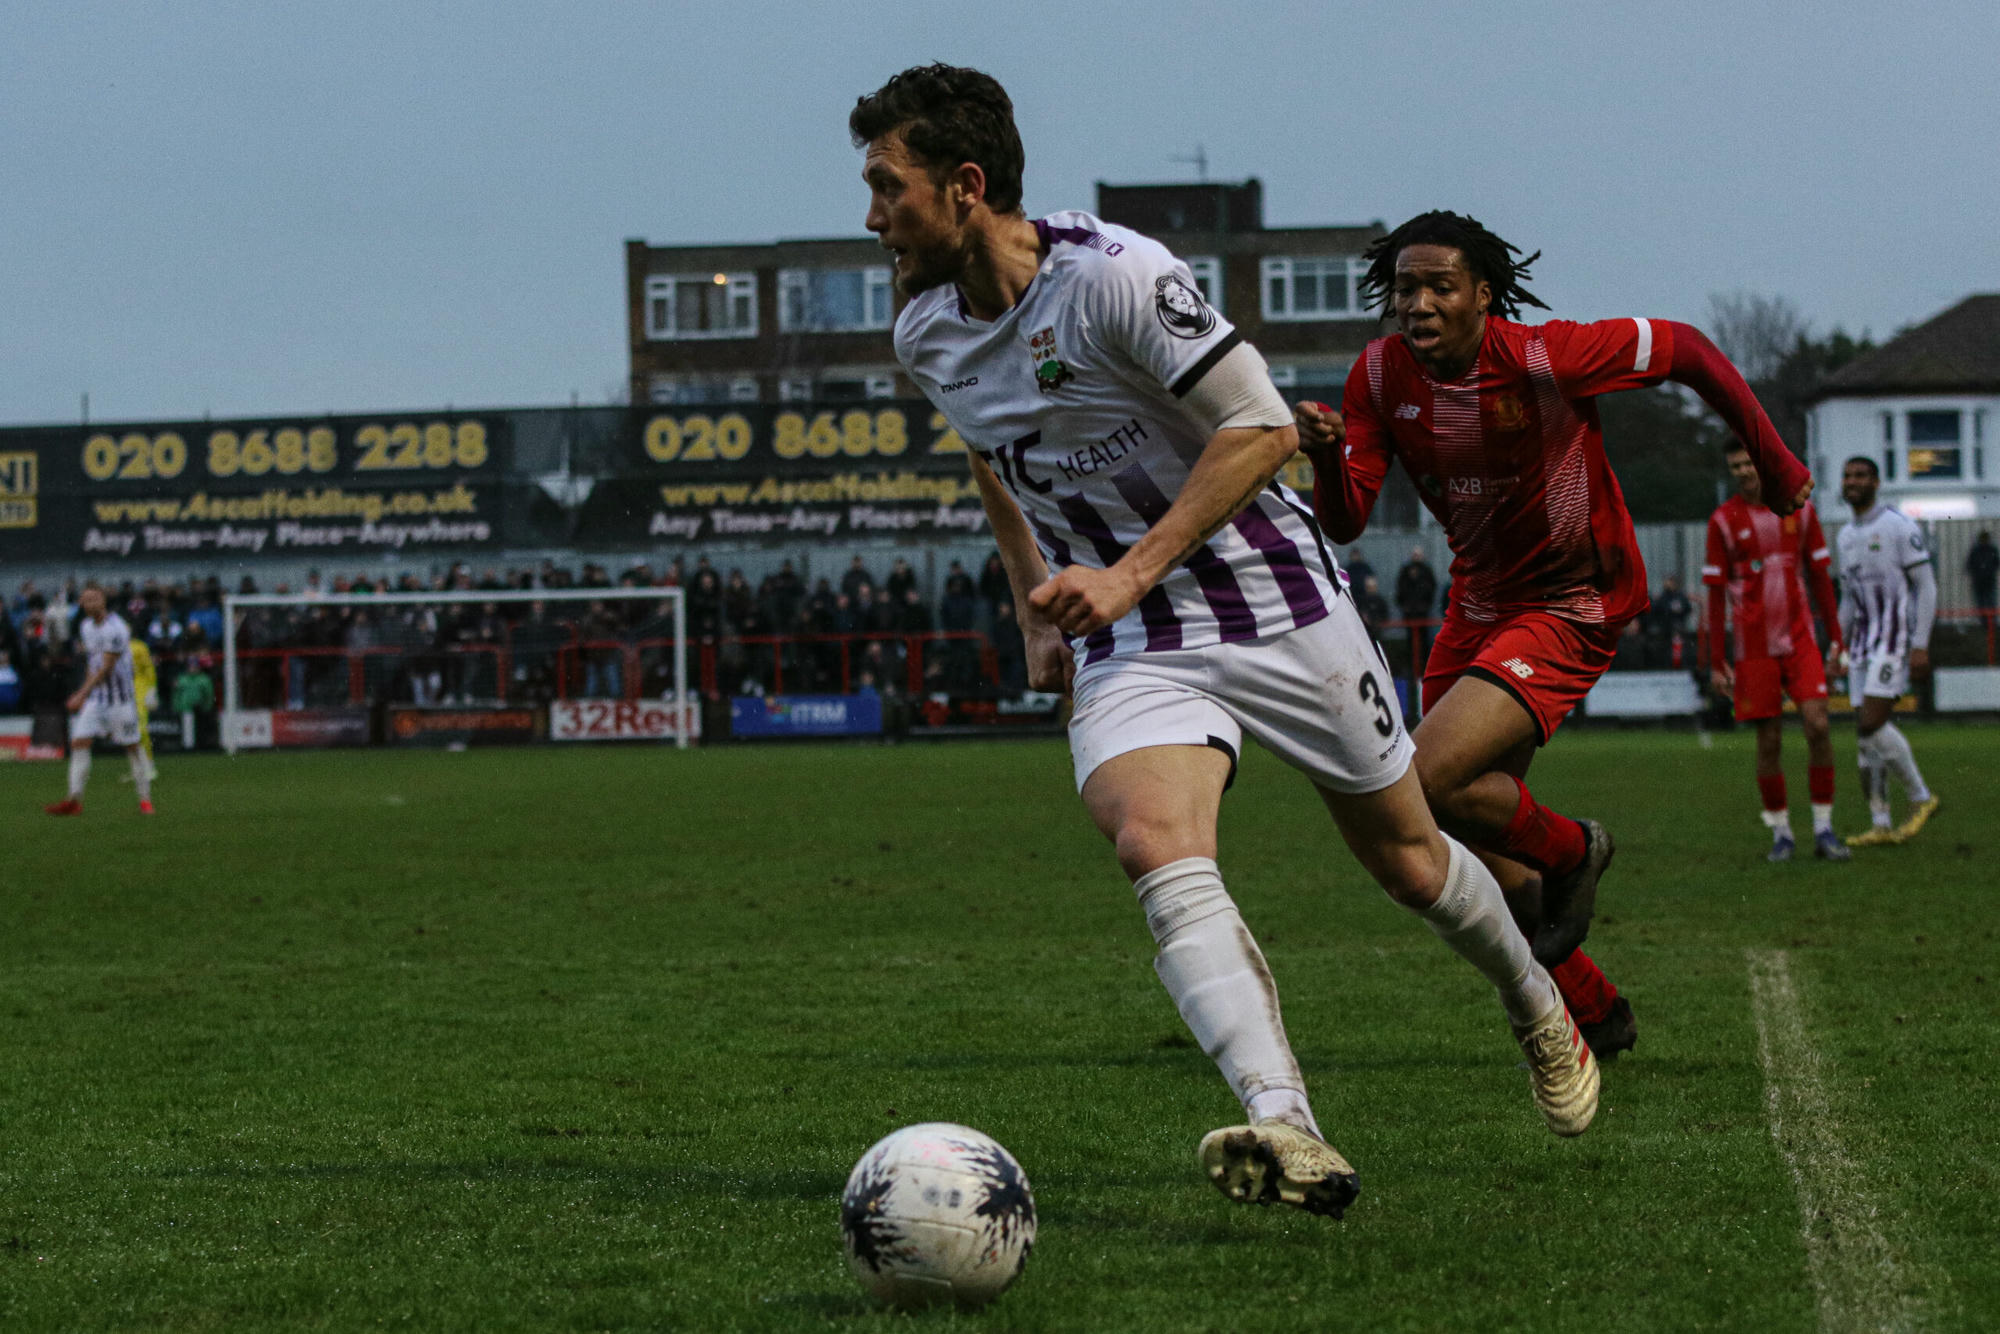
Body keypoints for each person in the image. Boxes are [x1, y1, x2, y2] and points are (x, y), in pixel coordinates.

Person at [858, 64, 1597, 1221]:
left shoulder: (1114, 276)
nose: (870, 217)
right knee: (1153, 841)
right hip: (1127, 630)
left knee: (1406, 858)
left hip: (1272, 594)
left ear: (963, 188)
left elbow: (1259, 429)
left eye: (886, 187)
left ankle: (1535, 1001)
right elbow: (987, 453)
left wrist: (1128, 568)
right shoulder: (922, 328)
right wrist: (1029, 597)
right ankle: (1286, 1122)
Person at [1296, 210, 1813, 1060]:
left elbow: (1686, 348)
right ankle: (1597, 1010)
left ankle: (1577, 850)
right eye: (1404, 288)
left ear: (1483, 296)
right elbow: (1347, 519)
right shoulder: (1380, 376)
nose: (1417, 304)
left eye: (1439, 286)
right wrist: (1324, 454)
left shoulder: (1547, 356)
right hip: (1478, 604)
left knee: (1423, 778)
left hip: (1572, 600)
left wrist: (1778, 461)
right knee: (1460, 829)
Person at [1704, 443, 1848, 861]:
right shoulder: (1722, 521)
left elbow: (1821, 577)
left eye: (1749, 463)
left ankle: (1824, 828)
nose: (1744, 471)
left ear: (1762, 464)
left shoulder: (1798, 508)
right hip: (1754, 649)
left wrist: (1835, 636)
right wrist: (1717, 662)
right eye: (1736, 466)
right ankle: (1782, 834)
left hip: (1800, 640)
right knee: (1768, 742)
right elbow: (1714, 595)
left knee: (1818, 726)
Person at [1836, 457, 1940, 846]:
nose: (1853, 482)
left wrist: (1920, 644)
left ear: (1876, 482)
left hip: (1894, 640)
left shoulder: (1897, 526)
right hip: (1862, 646)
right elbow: (1848, 598)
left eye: (1861, 475)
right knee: (1865, 742)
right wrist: (1837, 645)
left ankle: (1922, 798)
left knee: (1870, 723)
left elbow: (1926, 586)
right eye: (1848, 476)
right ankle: (1880, 824)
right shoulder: (1845, 535)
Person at [45, 584, 153, 816]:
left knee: (132, 746)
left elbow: (106, 667)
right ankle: (74, 800)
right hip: (97, 699)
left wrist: (80, 694)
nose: (89, 603)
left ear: (103, 600)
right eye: (85, 600)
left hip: (121, 700)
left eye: (94, 598)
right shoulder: (85, 627)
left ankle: (145, 800)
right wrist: (87, 696)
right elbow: (92, 663)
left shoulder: (116, 629)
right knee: (79, 743)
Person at [1967, 530, 1998, 615]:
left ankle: (1990, 624)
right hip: (1982, 582)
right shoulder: (1988, 550)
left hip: (1986, 581)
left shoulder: (1979, 550)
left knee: (1988, 604)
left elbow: (1969, 565)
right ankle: (1988, 623)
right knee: (1984, 605)